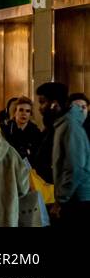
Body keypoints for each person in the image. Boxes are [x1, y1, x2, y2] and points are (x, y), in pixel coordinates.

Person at [51, 93, 90, 227]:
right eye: (76, 107)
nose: (80, 111)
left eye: (83, 107)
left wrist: (62, 198)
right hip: (74, 193)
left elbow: (76, 167)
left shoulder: (73, 128)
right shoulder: (72, 126)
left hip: (78, 195)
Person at [3, 96, 42, 163]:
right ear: (15, 112)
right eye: (21, 110)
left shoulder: (36, 132)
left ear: (30, 114)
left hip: (29, 168)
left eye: (27, 111)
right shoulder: (6, 129)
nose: (24, 114)